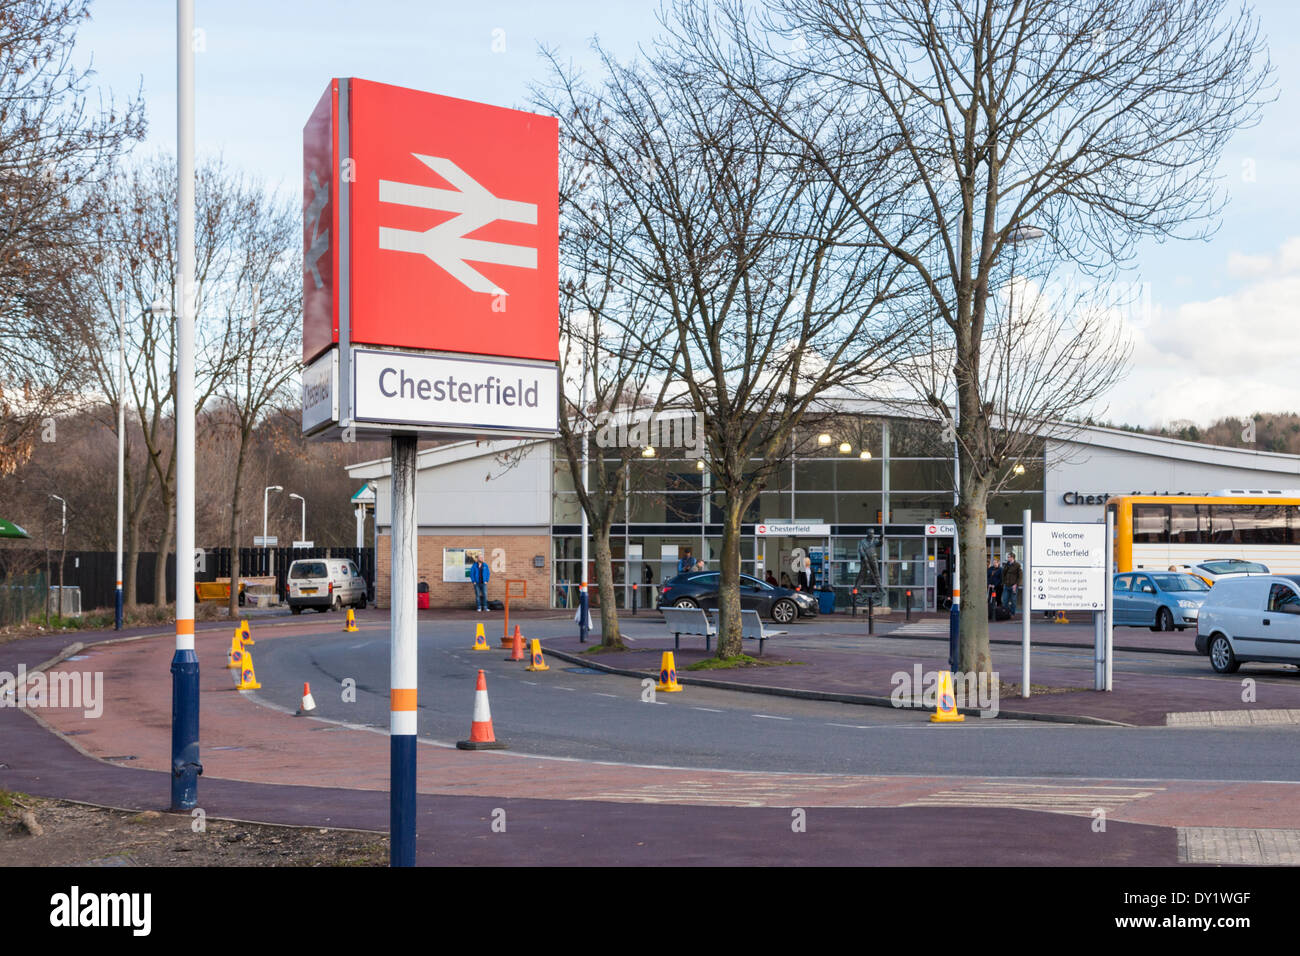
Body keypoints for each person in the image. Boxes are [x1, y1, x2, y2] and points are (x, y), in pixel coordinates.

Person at [1002, 550, 1021, 616]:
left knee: (1013, 601)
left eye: (1009, 557)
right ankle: (1006, 613)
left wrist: (1016, 584)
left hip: (1013, 586)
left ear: (1012, 558)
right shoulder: (1007, 564)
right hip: (1006, 585)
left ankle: (1012, 613)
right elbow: (1003, 574)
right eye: (1008, 557)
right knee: (1005, 600)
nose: (1008, 558)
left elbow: (1020, 576)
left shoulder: (1017, 565)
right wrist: (1004, 582)